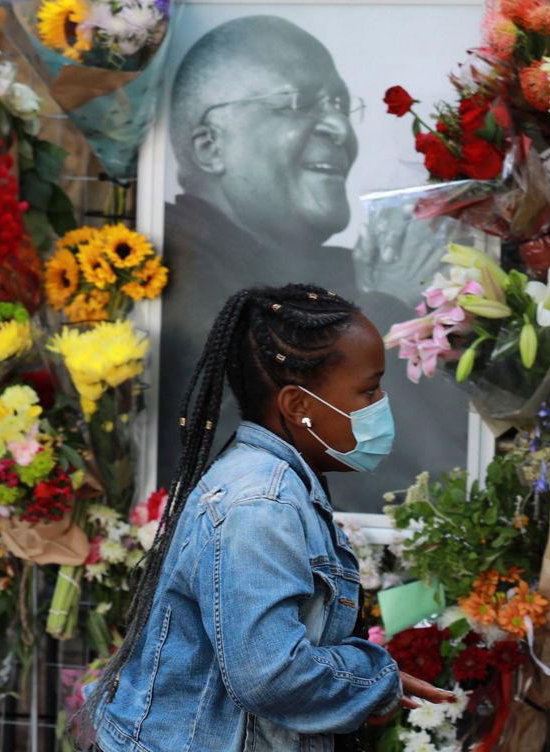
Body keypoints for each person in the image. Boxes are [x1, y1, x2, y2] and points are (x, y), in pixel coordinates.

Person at [24, 284, 448, 752]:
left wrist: (364, 680)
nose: (380, 406)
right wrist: (370, 675)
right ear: (299, 405)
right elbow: (270, 673)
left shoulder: (272, 483)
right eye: (368, 390)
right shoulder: (261, 503)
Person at [157, 15, 469, 511]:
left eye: (342, 106)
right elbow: (266, 459)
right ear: (210, 146)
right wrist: (386, 306)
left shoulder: (333, 272)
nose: (339, 128)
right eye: (297, 104)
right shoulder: (170, 273)